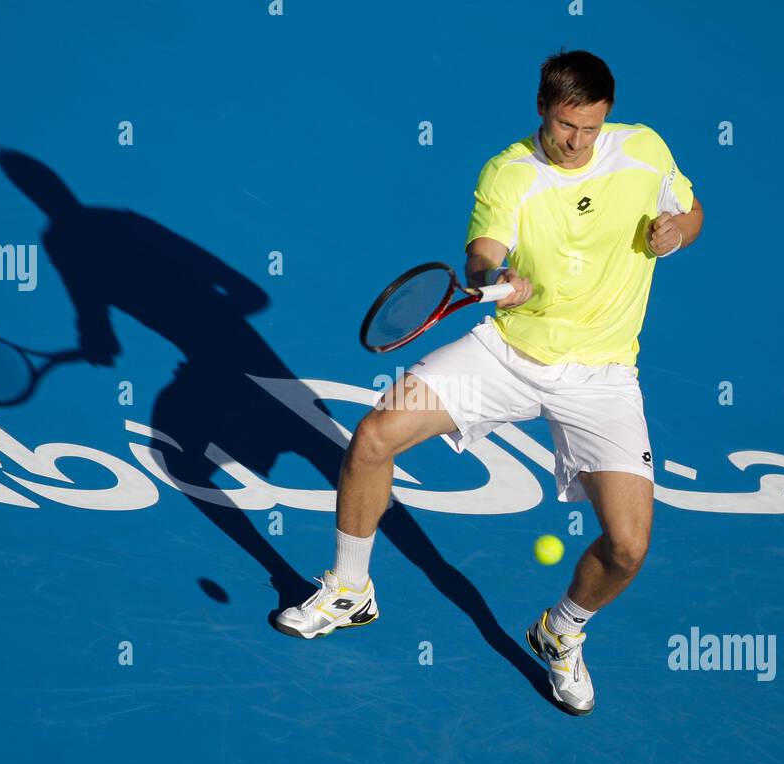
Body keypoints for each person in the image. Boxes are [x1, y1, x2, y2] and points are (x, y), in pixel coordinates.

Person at [272, 49, 704, 716]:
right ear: (542, 108)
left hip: (603, 374)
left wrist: (679, 230)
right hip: (506, 353)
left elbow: (691, 210)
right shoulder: (509, 174)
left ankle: (562, 630)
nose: (577, 142)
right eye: (565, 126)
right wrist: (493, 280)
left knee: (629, 545)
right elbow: (482, 257)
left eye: (591, 128)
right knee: (374, 436)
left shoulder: (644, 151)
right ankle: (350, 589)